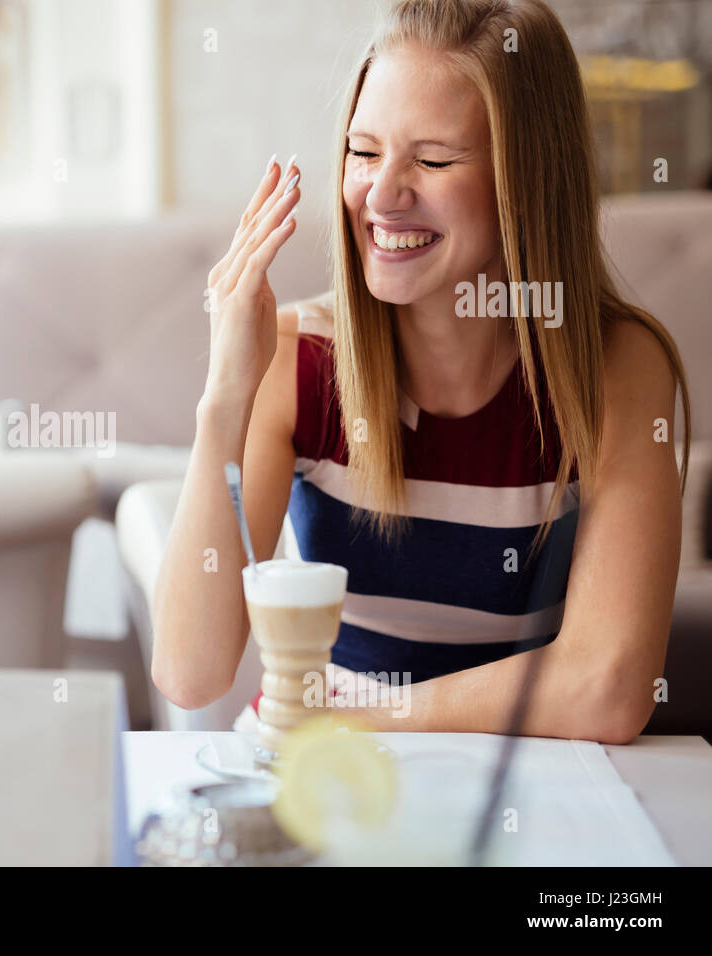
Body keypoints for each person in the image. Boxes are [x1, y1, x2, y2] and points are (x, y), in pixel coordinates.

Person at [151, 0, 690, 744]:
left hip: (514, 790)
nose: (381, 193)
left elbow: (607, 690)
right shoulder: (296, 359)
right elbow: (190, 671)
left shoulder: (618, 370)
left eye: (432, 160)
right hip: (333, 784)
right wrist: (224, 399)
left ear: (526, 180)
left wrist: (358, 717)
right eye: (364, 152)